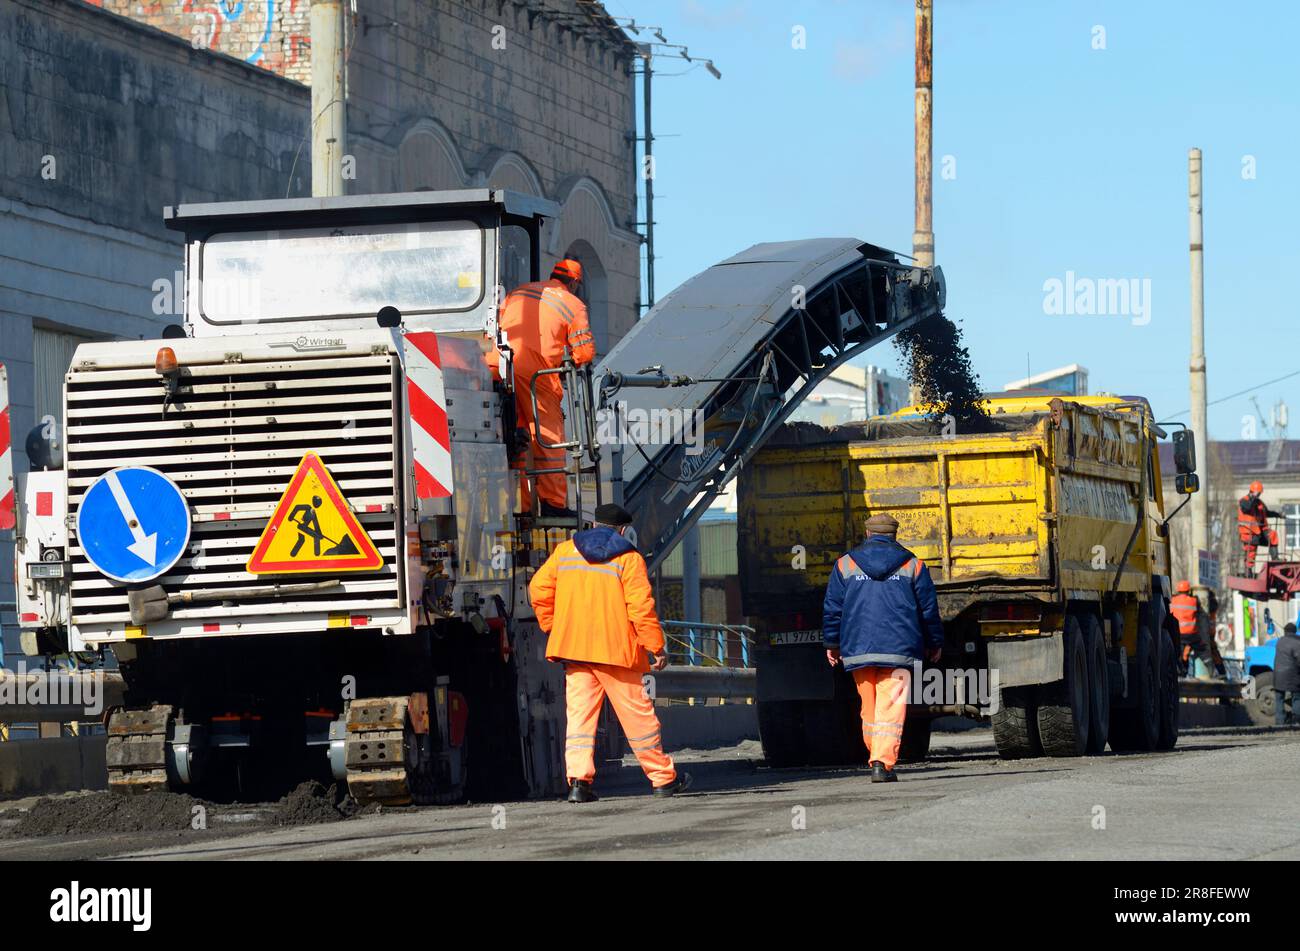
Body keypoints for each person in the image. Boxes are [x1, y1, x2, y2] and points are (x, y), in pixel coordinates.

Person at [528, 502, 690, 802]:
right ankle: (663, 780)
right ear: (624, 530)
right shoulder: (629, 559)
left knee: (579, 719)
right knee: (639, 719)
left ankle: (578, 783)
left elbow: (538, 589)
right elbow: (641, 608)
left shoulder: (565, 552)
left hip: (576, 653)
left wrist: (554, 626)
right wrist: (655, 645)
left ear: (592, 525)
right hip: (617, 653)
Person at [822, 512, 943, 783]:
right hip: (899, 649)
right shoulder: (914, 565)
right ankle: (881, 762)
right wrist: (934, 642)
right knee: (890, 708)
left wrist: (832, 643)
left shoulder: (844, 565)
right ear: (894, 535)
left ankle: (877, 758)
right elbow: (928, 610)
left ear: (867, 534)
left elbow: (833, 609)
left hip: (858, 648)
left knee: (870, 708)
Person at [485, 259, 596, 517]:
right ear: (575, 283)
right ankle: (552, 503)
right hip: (536, 372)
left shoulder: (520, 292)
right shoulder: (573, 304)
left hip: (497, 366)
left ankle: (520, 505)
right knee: (549, 437)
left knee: (518, 436)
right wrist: (567, 360)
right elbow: (585, 352)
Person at [1238, 481, 1281, 571]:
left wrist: (1278, 514)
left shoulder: (1259, 502)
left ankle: (1275, 559)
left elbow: (1266, 512)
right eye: (1259, 493)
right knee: (1251, 551)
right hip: (1249, 532)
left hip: (1260, 530)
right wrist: (1253, 497)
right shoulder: (1244, 501)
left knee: (1272, 534)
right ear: (1253, 491)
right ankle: (1248, 571)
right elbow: (1248, 508)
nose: (1259, 495)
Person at [1275, 622, 1300, 726]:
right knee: (1297, 697)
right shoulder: (1297, 643)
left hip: (1278, 675)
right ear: (1295, 631)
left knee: (1279, 698)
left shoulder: (1279, 642)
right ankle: (1296, 721)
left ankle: (1280, 722)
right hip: (1292, 675)